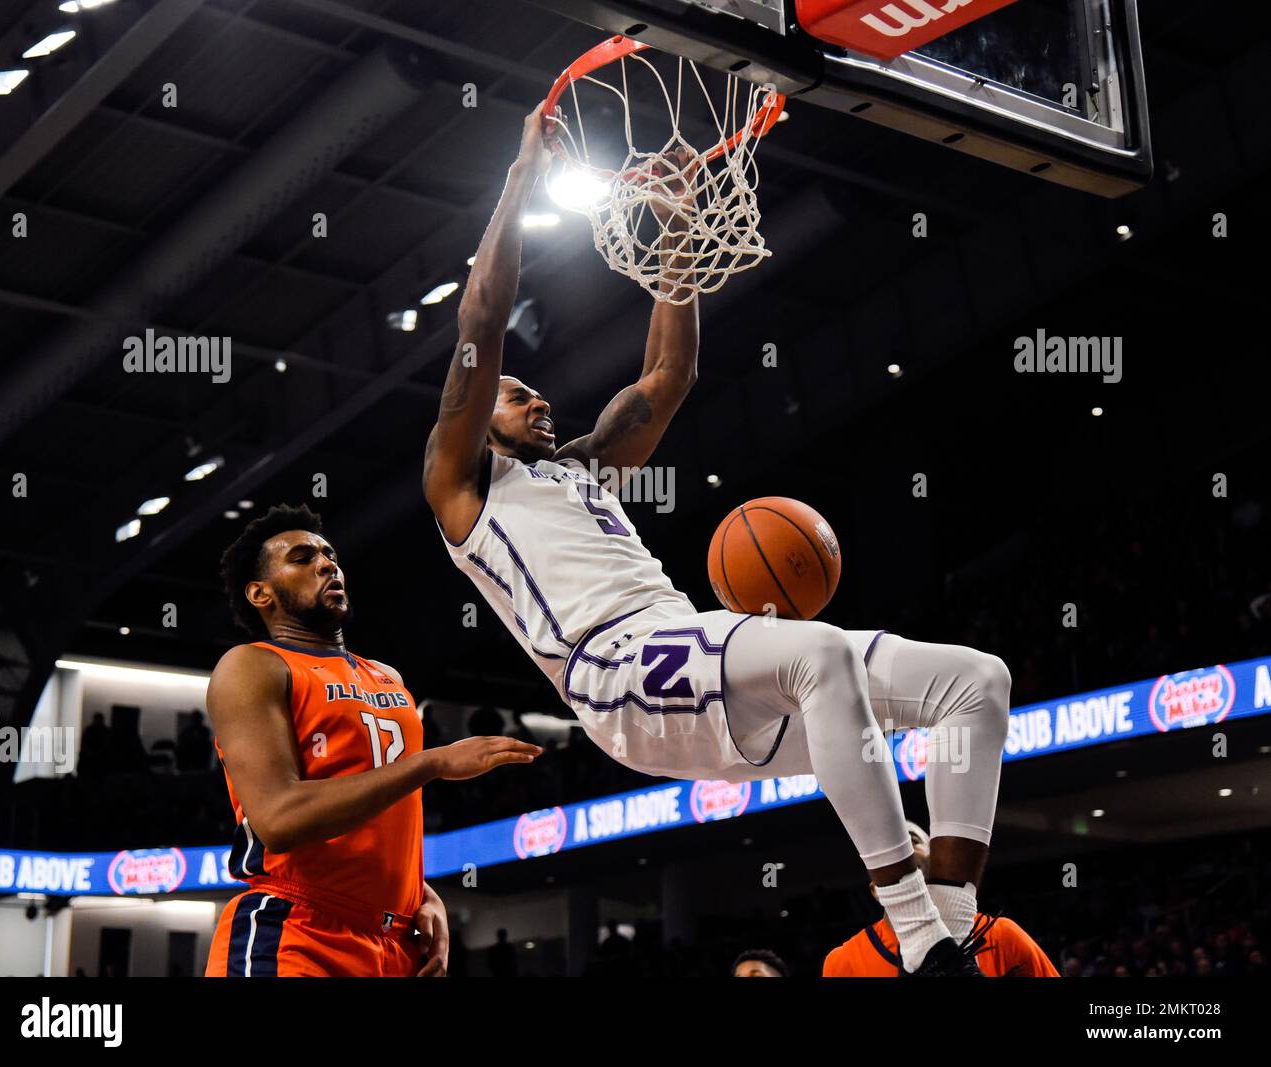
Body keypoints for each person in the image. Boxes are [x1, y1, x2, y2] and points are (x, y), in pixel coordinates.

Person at [423, 103, 1013, 976]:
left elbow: (668, 376)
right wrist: (521, 178)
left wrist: (676, 234)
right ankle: (915, 927)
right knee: (820, 653)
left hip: (685, 654)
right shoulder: (463, 487)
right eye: (516, 394)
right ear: (479, 415)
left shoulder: (582, 467)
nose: (538, 399)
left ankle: (951, 924)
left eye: (538, 391)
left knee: (973, 681)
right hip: (613, 669)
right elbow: (481, 316)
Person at [203, 504, 540, 977]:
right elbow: (278, 818)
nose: (327, 564)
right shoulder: (252, 666)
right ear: (261, 593)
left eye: (329, 555)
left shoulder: (387, 676)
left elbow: (384, 820)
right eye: (301, 559)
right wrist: (432, 763)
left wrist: (421, 895)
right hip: (298, 933)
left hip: (394, 943)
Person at [823, 825, 1058, 977]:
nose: (902, 851)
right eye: (892, 848)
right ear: (875, 890)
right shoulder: (844, 962)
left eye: (911, 840)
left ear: (938, 864)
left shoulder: (1001, 935)